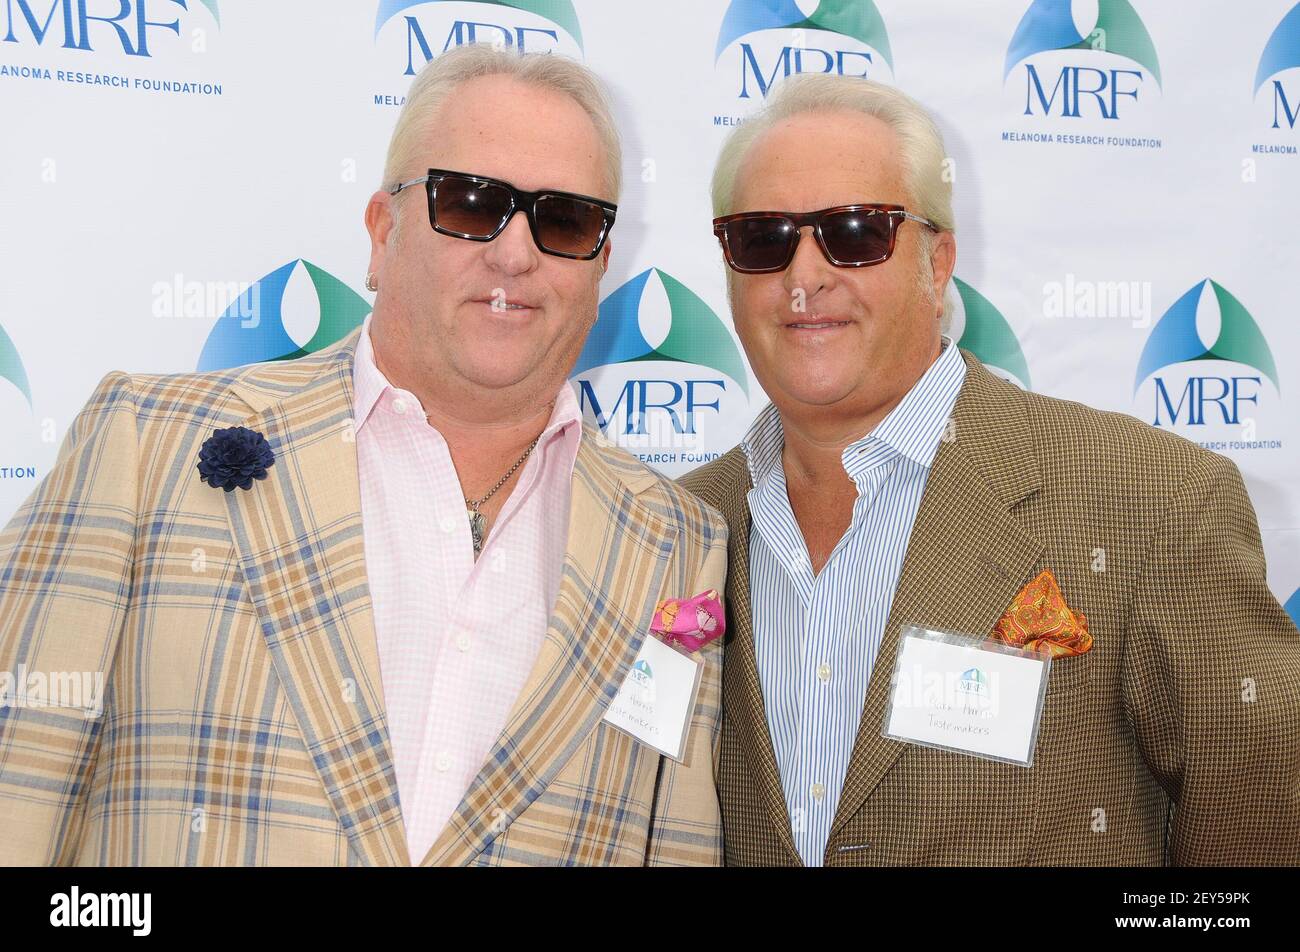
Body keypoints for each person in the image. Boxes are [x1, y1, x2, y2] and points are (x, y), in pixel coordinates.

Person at [0, 45, 726, 867]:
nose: (515, 252)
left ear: (600, 264)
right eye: (471, 201)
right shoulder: (148, 443)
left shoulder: (675, 542)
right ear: (382, 235)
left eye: (563, 220)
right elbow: (17, 786)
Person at [681, 72, 1300, 867]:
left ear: (936, 265)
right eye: (764, 238)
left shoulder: (1155, 503)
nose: (805, 277)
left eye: (856, 231)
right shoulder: (680, 524)